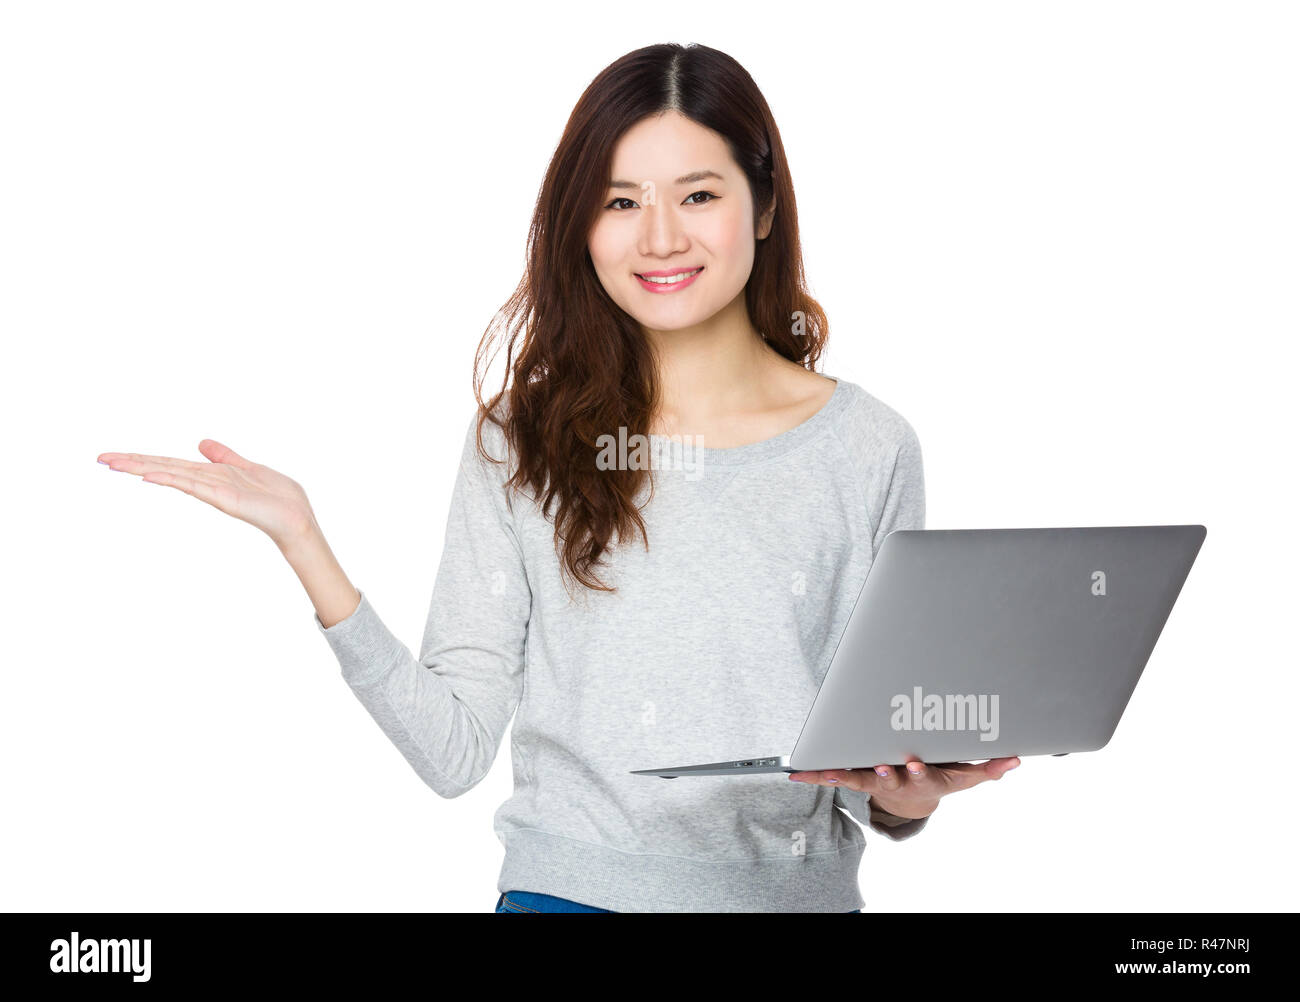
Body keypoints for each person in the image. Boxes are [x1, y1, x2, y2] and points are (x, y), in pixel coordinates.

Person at [97, 42, 1019, 913]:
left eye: (699, 195)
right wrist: (306, 541)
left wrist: (917, 795)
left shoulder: (867, 447)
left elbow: (874, 780)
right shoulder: (520, 440)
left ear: (765, 207)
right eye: (620, 202)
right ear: (580, 224)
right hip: (569, 899)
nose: (659, 237)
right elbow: (454, 752)